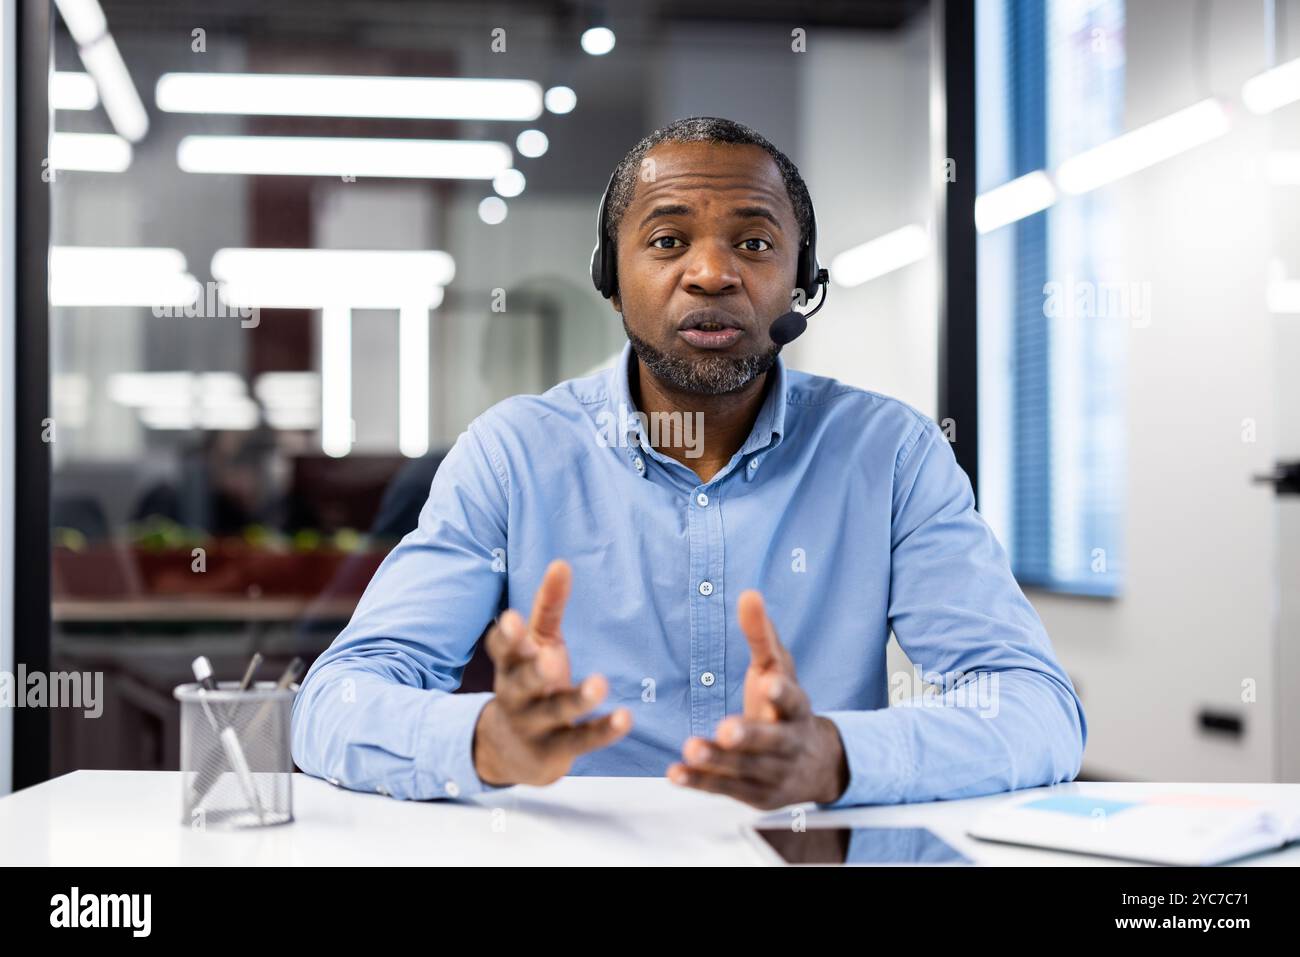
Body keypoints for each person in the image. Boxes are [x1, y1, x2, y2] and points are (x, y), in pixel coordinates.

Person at [292, 116, 1086, 810]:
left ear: (803, 282)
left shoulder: (892, 456)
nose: (712, 273)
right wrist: (488, 741)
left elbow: (1035, 708)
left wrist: (836, 756)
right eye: (668, 240)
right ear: (611, 278)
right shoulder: (513, 455)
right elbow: (335, 700)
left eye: (755, 241)